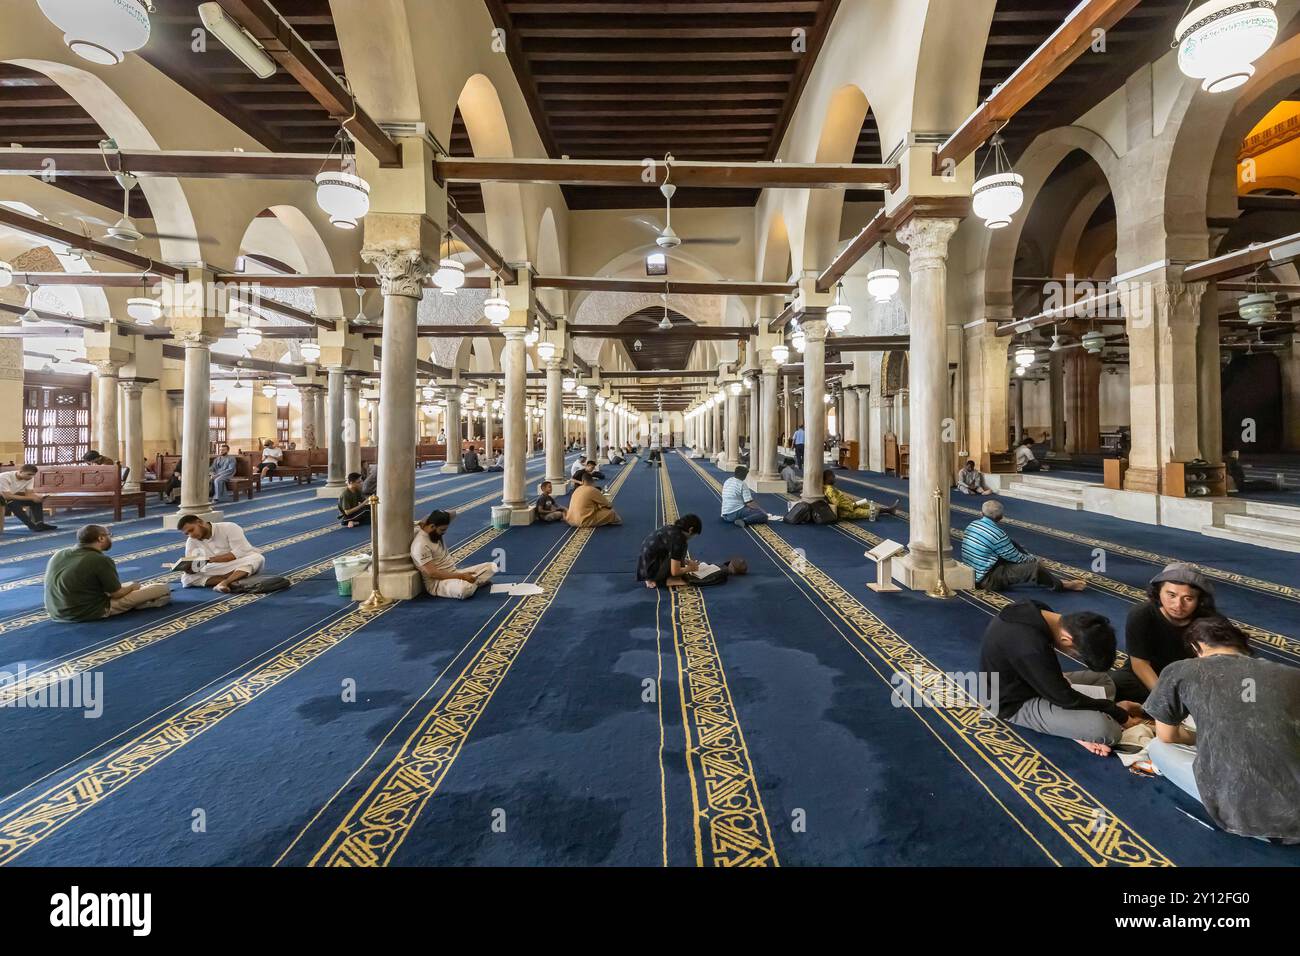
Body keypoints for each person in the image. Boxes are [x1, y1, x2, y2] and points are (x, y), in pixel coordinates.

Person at [1145, 617, 1300, 844]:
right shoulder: (1293, 675)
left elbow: (1168, 736)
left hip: (1247, 818)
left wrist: (1205, 738)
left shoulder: (1180, 670)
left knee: (1157, 746)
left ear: (1197, 647)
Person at [980, 599, 1143, 756]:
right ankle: (1075, 730)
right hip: (1012, 702)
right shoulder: (1032, 646)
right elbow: (1065, 699)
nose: (1073, 657)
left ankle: (1071, 724)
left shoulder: (1038, 609)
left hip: (1032, 680)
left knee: (1105, 682)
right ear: (1066, 639)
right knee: (1109, 731)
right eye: (1076, 655)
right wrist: (1116, 711)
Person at [1110, 563, 1215, 703]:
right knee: (1112, 684)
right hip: (1147, 676)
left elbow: (1219, 665)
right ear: (1158, 592)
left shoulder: (1211, 621)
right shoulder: (1142, 614)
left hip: (1188, 679)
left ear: (1199, 600)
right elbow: (1140, 664)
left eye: (1188, 598)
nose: (1178, 605)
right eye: (1171, 595)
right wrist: (1166, 698)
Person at [44, 524, 171, 622]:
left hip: (56, 611)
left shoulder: (60, 553)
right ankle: (140, 603)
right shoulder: (100, 559)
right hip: (88, 611)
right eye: (109, 535)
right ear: (101, 538)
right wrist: (133, 586)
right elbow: (116, 594)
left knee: (125, 586)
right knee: (161, 588)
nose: (111, 538)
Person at [961, 499, 1085, 592]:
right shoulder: (998, 534)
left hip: (971, 572)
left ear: (981, 513)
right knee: (1034, 568)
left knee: (1011, 543)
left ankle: (1028, 564)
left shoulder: (973, 524)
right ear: (1000, 517)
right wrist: (1033, 560)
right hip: (988, 579)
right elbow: (1016, 558)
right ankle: (1061, 585)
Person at [411, 509, 496, 599]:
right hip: (438, 582)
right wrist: (462, 576)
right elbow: (433, 574)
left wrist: (423, 521)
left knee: (492, 567)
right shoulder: (420, 545)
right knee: (465, 590)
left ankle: (472, 582)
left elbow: (452, 513)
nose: (444, 533)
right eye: (442, 530)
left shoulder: (434, 533)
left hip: (454, 573)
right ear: (432, 526)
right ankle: (474, 582)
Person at [177, 515, 266, 593]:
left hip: (237, 562)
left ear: (200, 522)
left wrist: (211, 559)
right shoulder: (192, 541)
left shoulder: (229, 527)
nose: (191, 535)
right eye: (187, 534)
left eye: (191, 530)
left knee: (257, 558)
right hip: (216, 568)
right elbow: (194, 563)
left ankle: (224, 583)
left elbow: (240, 551)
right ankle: (234, 579)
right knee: (187, 578)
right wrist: (191, 569)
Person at [637, 513, 702, 588]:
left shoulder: (671, 528)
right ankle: (659, 581)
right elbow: (675, 572)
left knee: (679, 556)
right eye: (694, 535)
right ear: (690, 530)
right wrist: (690, 568)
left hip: (644, 567)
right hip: (651, 571)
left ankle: (652, 578)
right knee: (681, 573)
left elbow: (671, 552)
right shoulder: (679, 540)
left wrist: (688, 562)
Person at [0, 464, 58, 532]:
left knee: (35, 501)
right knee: (12, 502)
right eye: (29, 474)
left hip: (9, 497)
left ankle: (39, 524)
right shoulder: (4, 477)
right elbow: (7, 496)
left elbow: (29, 494)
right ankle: (31, 525)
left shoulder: (29, 478)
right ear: (20, 471)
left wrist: (38, 497)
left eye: (33, 475)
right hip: (2, 498)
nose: (31, 477)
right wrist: (32, 498)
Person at [822, 470, 897, 520]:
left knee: (866, 504)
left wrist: (854, 502)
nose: (834, 477)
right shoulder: (829, 490)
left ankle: (888, 510)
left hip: (851, 504)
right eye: (832, 476)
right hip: (846, 511)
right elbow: (838, 503)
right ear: (827, 479)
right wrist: (853, 505)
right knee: (871, 512)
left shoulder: (830, 487)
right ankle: (888, 510)